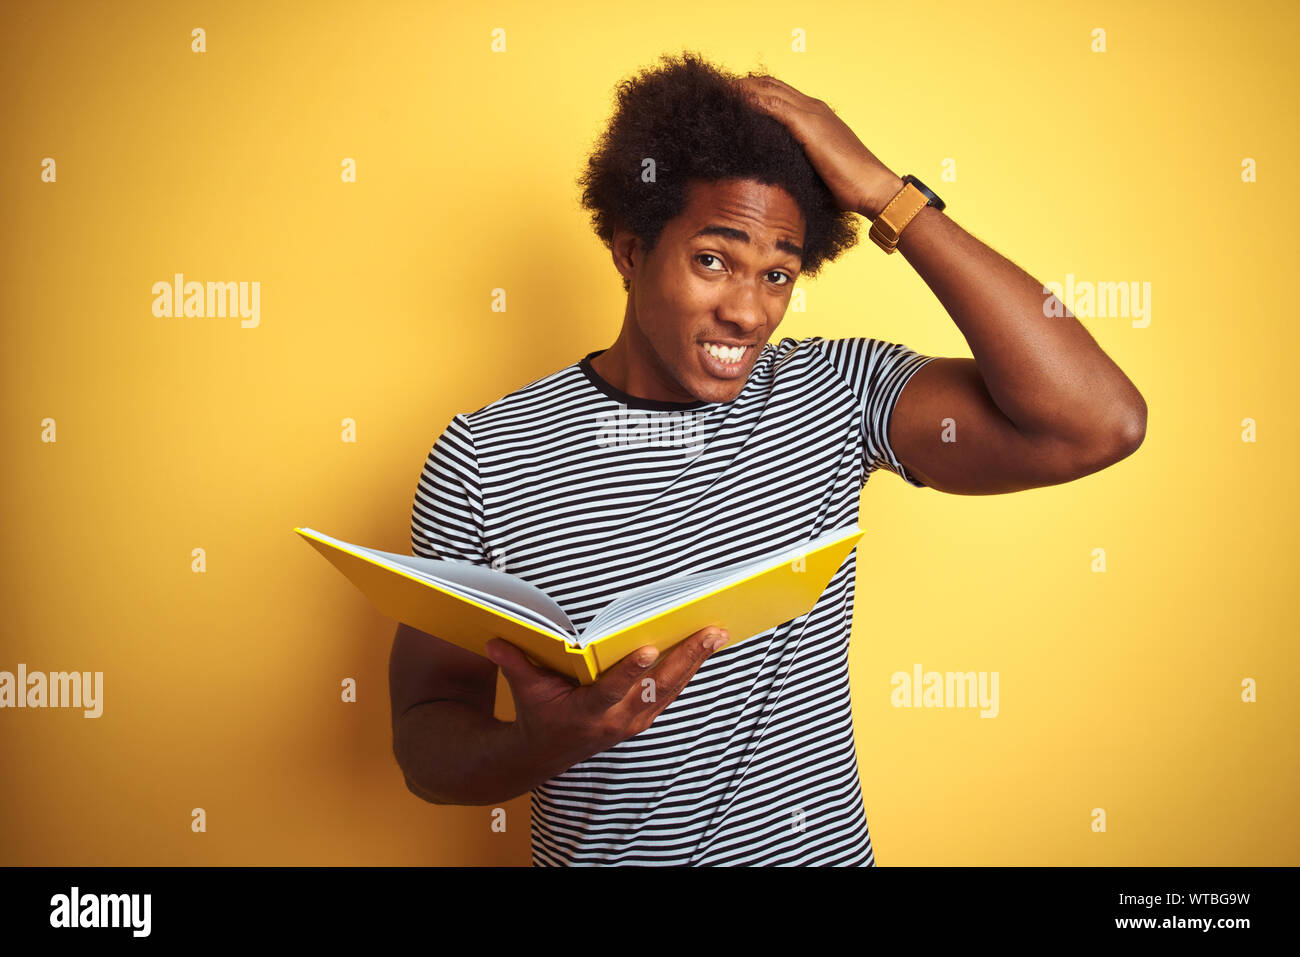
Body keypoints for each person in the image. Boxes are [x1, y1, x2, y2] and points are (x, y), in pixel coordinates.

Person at [388, 52, 1146, 866]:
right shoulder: (486, 453)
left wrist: (889, 196)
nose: (748, 311)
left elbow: (1098, 421)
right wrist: (542, 744)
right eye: (713, 259)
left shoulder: (838, 392)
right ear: (630, 249)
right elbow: (426, 739)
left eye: (778, 274)